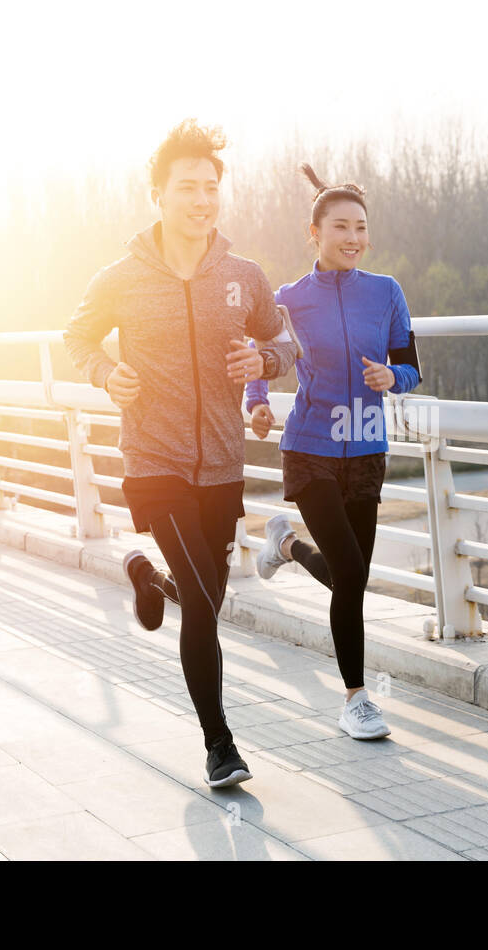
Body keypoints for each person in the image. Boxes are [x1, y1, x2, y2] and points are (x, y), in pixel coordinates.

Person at [63, 119, 297, 788]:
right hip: (154, 460)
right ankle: (220, 745)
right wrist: (107, 374)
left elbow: (286, 344)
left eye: (211, 187)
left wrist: (264, 360)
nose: (202, 200)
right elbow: (76, 336)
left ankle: (147, 577)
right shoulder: (121, 277)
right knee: (201, 598)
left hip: (221, 464)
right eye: (187, 187)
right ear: (158, 194)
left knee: (207, 602)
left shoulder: (244, 277)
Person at [245, 162, 422, 740]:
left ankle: (287, 545)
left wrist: (391, 378)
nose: (353, 238)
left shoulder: (386, 292)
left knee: (354, 576)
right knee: (349, 571)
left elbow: (414, 367)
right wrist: (258, 403)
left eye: (361, 227)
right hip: (311, 447)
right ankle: (356, 699)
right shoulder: (289, 300)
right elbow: (260, 355)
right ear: (314, 233)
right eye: (341, 226)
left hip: (367, 448)